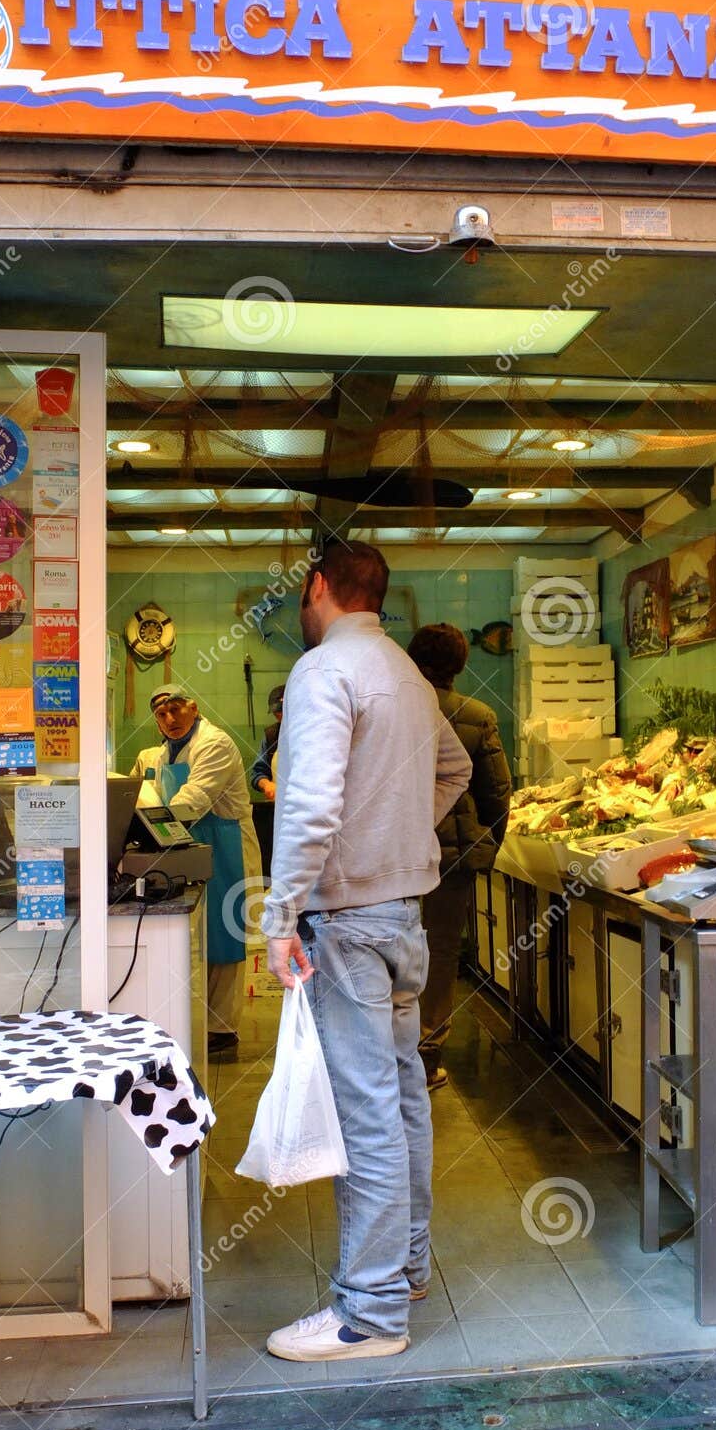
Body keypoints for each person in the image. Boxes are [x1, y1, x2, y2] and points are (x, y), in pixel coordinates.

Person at [260, 540, 472, 1362]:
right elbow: (453, 769)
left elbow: (310, 805)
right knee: (403, 1096)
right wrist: (397, 831)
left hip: (348, 922)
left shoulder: (323, 670)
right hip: (404, 917)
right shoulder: (407, 673)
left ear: (318, 585)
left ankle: (371, 1314)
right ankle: (407, 1268)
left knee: (367, 1112)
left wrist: (280, 916)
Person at [406, 623, 512, 1091]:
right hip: (452, 857)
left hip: (395, 855)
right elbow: (497, 792)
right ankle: (426, 1057)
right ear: (461, 664)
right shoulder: (477, 715)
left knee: (391, 946)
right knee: (442, 949)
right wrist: (484, 844)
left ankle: (386, 1056)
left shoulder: (394, 709)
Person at [132, 683, 262, 1052]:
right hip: (186, 842)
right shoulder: (160, 754)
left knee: (224, 934)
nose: (169, 719)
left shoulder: (214, 743)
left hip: (226, 843)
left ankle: (222, 1028)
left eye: (176, 709)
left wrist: (152, 829)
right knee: (193, 935)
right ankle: (188, 1022)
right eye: (161, 714)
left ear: (193, 707)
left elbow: (194, 799)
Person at [249, 683, 285, 801]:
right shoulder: (271, 736)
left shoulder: (315, 733)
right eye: (277, 714)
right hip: (280, 806)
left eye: (284, 711)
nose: (281, 717)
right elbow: (257, 773)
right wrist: (267, 785)